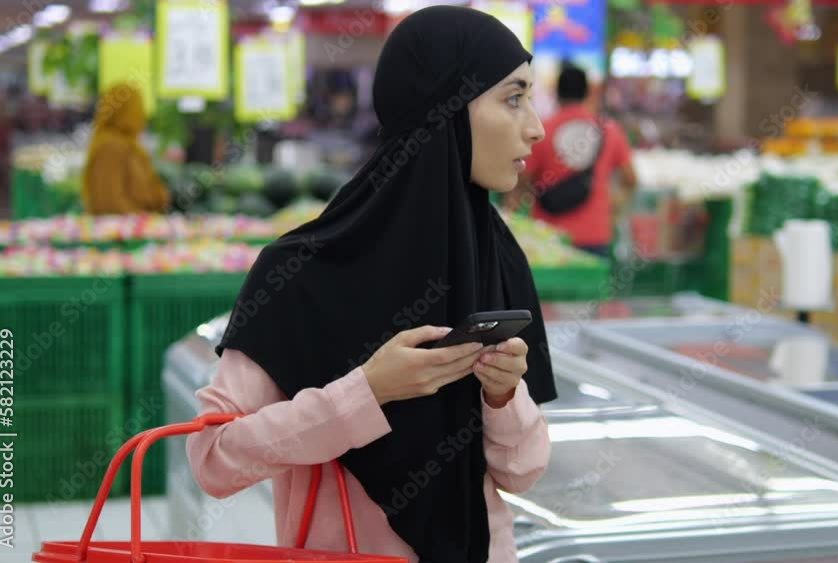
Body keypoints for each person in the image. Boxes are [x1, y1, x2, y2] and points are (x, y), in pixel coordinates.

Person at [186, 6, 557, 563]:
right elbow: (211, 458)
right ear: (447, 106)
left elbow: (522, 471)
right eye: (513, 97)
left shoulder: (496, 258)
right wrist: (367, 391)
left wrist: (503, 395)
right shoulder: (303, 271)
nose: (536, 125)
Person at [507, 65, 637, 258]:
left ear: (557, 94)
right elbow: (631, 180)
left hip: (549, 236)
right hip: (596, 233)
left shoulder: (541, 130)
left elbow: (519, 179)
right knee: (591, 287)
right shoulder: (609, 130)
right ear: (587, 93)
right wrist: (614, 205)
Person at [82, 83, 170, 215]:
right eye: (138, 107)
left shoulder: (128, 145)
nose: (142, 114)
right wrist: (140, 223)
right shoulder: (112, 147)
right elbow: (110, 202)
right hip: (125, 231)